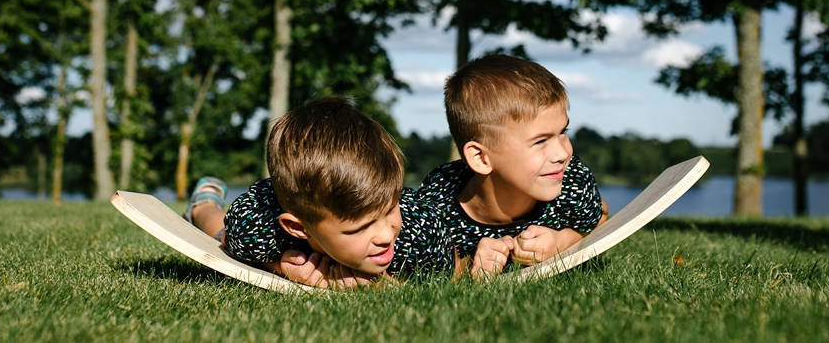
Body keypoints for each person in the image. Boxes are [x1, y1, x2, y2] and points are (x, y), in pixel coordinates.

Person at [185, 96, 455, 288]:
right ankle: (204, 201)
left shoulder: (420, 231)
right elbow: (234, 241)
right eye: (360, 228)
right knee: (221, 233)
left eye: (389, 210)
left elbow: (449, 276)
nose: (386, 235)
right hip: (278, 207)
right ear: (298, 228)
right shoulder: (257, 224)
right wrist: (280, 266)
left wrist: (378, 283)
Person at [415, 54, 609, 278]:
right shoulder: (436, 206)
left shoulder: (570, 180)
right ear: (480, 158)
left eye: (563, 132)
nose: (563, 153)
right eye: (540, 141)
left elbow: (599, 215)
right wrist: (465, 267)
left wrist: (564, 240)